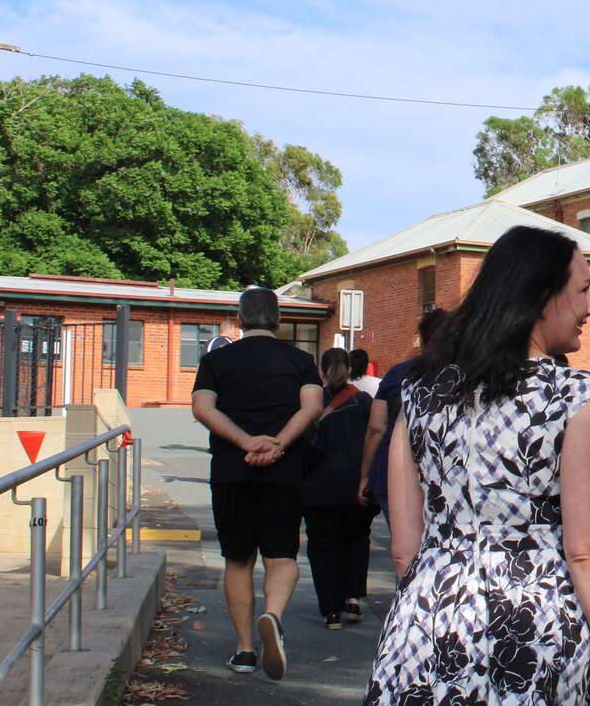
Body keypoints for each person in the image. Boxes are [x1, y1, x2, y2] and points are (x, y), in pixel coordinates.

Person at [347, 227, 590, 706]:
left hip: (427, 618)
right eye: (583, 290)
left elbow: (405, 547)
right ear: (541, 296)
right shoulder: (576, 398)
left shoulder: (422, 391)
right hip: (533, 629)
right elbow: (586, 551)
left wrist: (430, 604)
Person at [190, 287, 323, 681]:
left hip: (232, 470)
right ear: (278, 319)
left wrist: (246, 442)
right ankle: (274, 614)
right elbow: (313, 406)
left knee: (237, 559)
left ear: (241, 320)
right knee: (282, 558)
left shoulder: (216, 360)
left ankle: (245, 650)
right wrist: (279, 443)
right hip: (284, 472)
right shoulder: (301, 360)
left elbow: (202, 407)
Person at [303, 347, 378, 629]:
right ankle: (353, 599)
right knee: (357, 540)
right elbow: (376, 435)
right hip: (357, 484)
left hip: (318, 487)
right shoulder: (364, 402)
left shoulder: (311, 402)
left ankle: (331, 610)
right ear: (350, 370)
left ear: (321, 371)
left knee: (323, 546)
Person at [356, 308, 447, 526]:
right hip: (444, 472)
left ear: (421, 337)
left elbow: (376, 428)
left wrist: (365, 475)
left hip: (395, 471)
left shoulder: (398, 374)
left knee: (404, 548)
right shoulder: (465, 374)